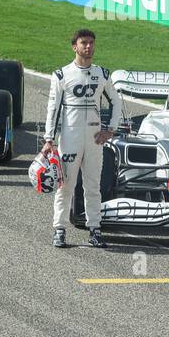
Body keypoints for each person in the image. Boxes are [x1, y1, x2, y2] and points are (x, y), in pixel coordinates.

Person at [42, 28, 124, 248]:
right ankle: (59, 229)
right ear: (74, 46)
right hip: (70, 138)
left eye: (91, 43)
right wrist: (49, 139)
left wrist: (110, 130)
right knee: (65, 185)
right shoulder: (61, 74)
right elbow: (53, 109)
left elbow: (117, 102)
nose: (88, 47)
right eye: (83, 43)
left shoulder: (103, 74)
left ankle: (95, 230)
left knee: (93, 186)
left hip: (95, 139)